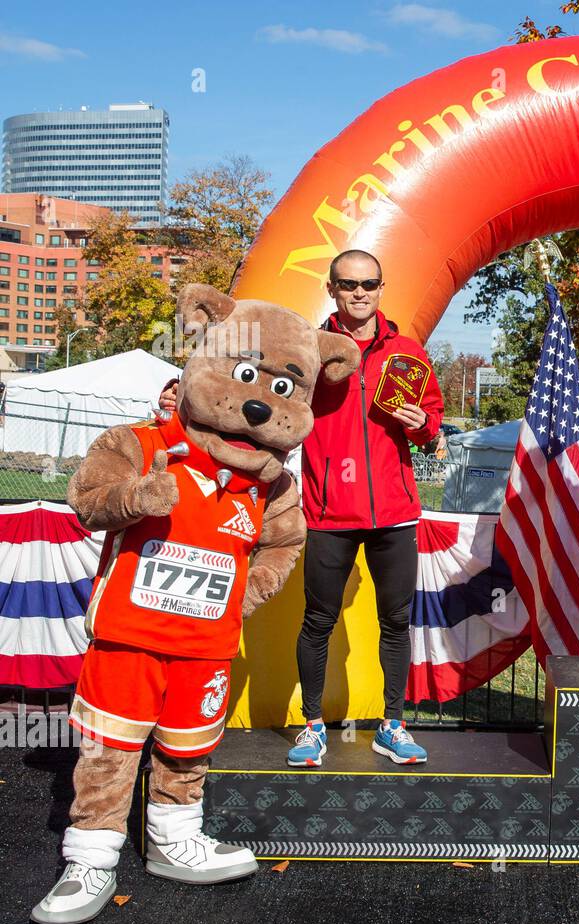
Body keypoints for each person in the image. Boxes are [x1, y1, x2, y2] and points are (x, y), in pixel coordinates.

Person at [159, 251, 443, 766]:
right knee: (318, 620)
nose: (360, 293)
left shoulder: (409, 352)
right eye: (348, 284)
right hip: (328, 511)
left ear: (382, 287)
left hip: (395, 514)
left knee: (396, 621)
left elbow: (433, 425)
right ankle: (312, 727)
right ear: (331, 288)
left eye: (369, 284)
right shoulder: (307, 350)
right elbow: (261, 406)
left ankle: (392, 725)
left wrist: (421, 421)